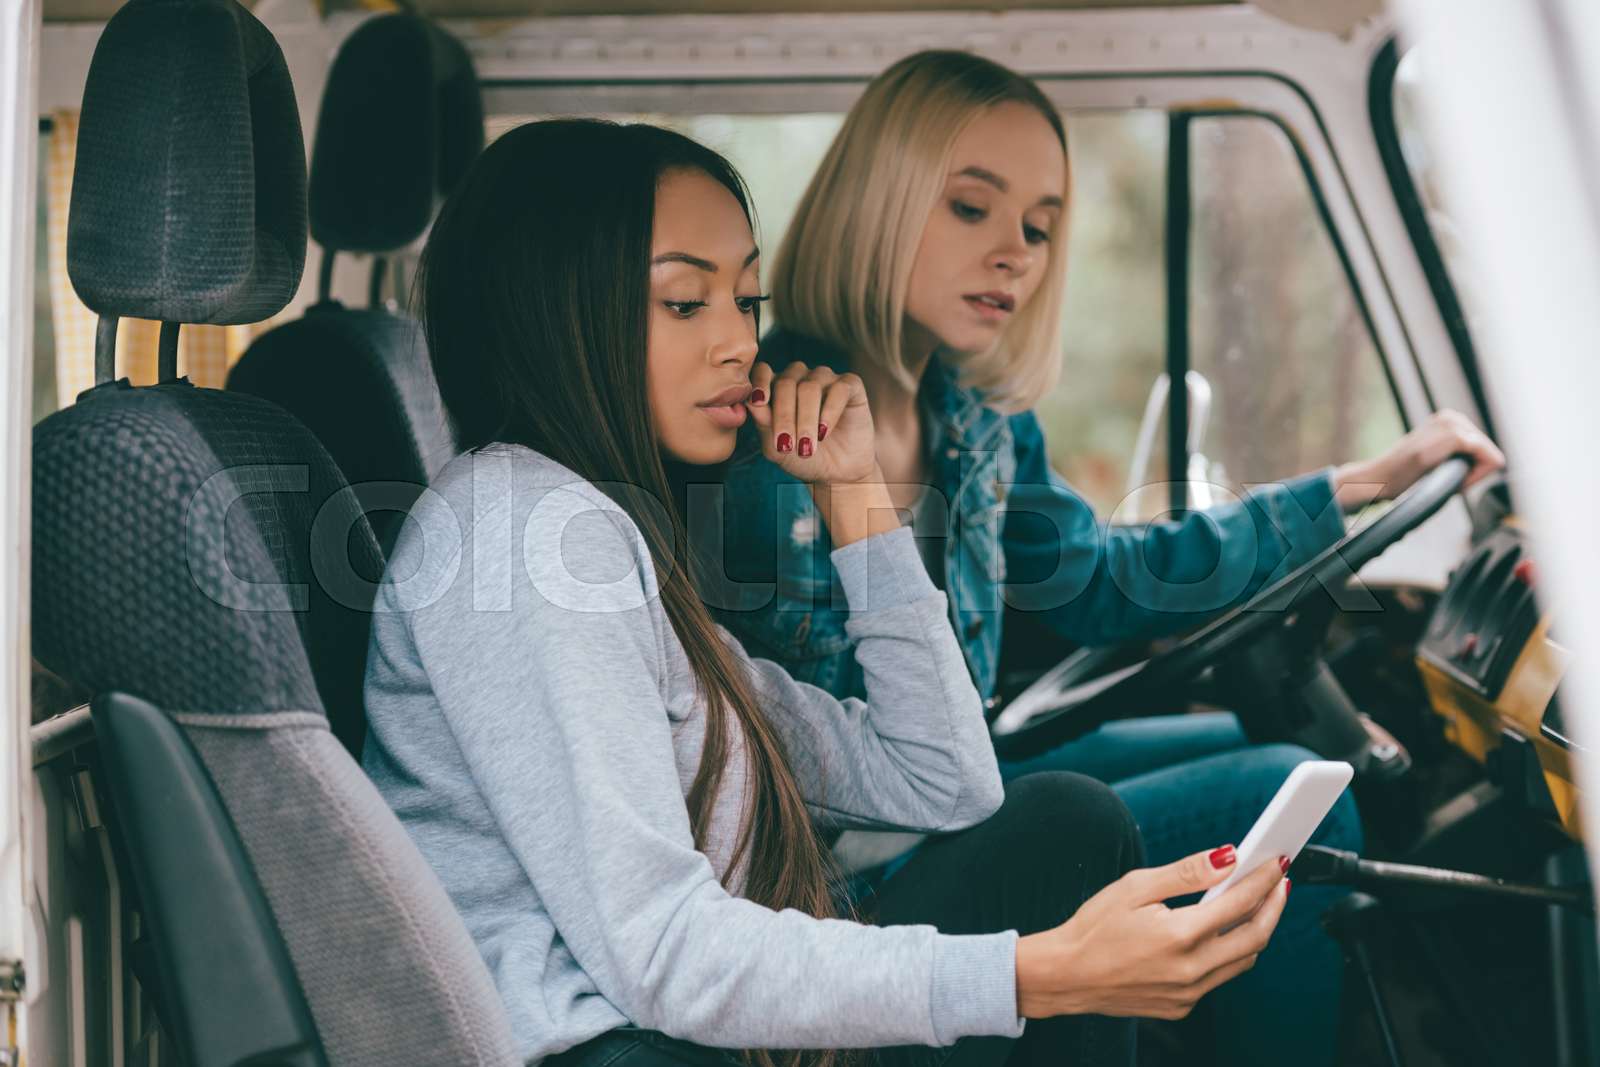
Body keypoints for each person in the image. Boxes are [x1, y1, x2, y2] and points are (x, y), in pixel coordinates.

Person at [361, 118, 1290, 1067]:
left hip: (688, 1024)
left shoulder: (620, 546)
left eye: (746, 299)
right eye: (686, 303)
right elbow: (659, 951)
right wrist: (1036, 974)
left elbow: (947, 783)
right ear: (556, 314)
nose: (738, 343)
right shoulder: (520, 528)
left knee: (1063, 824)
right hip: (622, 1046)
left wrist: (856, 498)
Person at [698, 51, 1506, 1067]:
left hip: (969, 779)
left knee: (1281, 762)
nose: (1015, 254)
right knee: (1290, 789)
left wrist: (1357, 485)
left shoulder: (974, 418)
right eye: (970, 209)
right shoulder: (763, 429)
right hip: (857, 868)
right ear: (879, 201)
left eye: (1037, 226)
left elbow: (1101, 580)